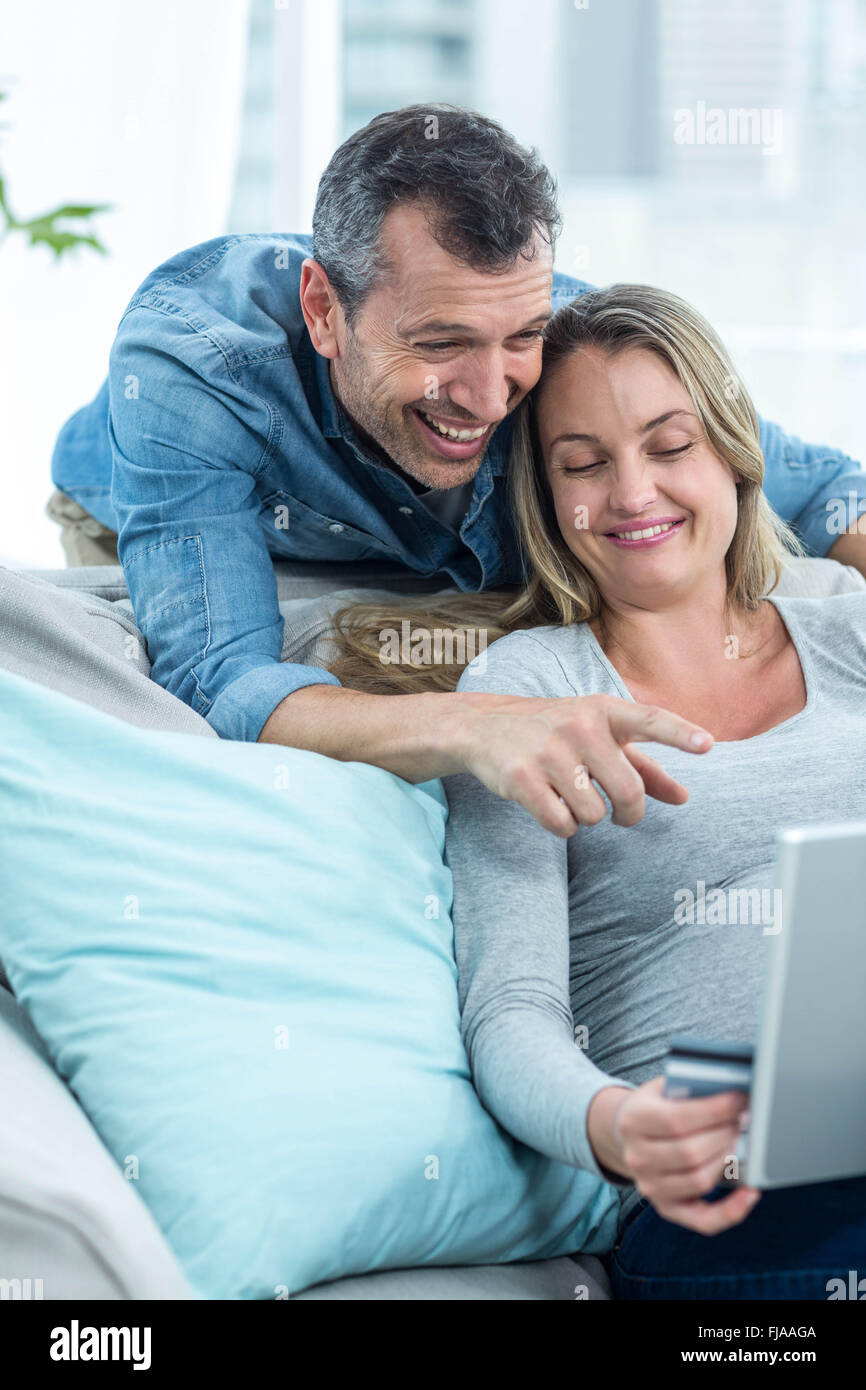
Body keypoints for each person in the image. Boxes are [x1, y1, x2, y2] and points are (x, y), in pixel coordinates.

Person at [48, 104, 866, 840]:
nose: (486, 397)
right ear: (324, 311)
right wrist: (478, 723)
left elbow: (834, 496)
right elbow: (218, 681)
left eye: (520, 338)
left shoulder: (567, 340)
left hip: (433, 552)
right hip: (190, 522)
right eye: (440, 344)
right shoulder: (195, 360)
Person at [328, 283, 866, 1299]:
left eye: (668, 448)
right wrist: (616, 1124)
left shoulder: (853, 636)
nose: (630, 494)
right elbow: (512, 1009)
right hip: (733, 1199)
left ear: (730, 456)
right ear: (544, 493)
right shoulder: (527, 690)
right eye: (583, 464)